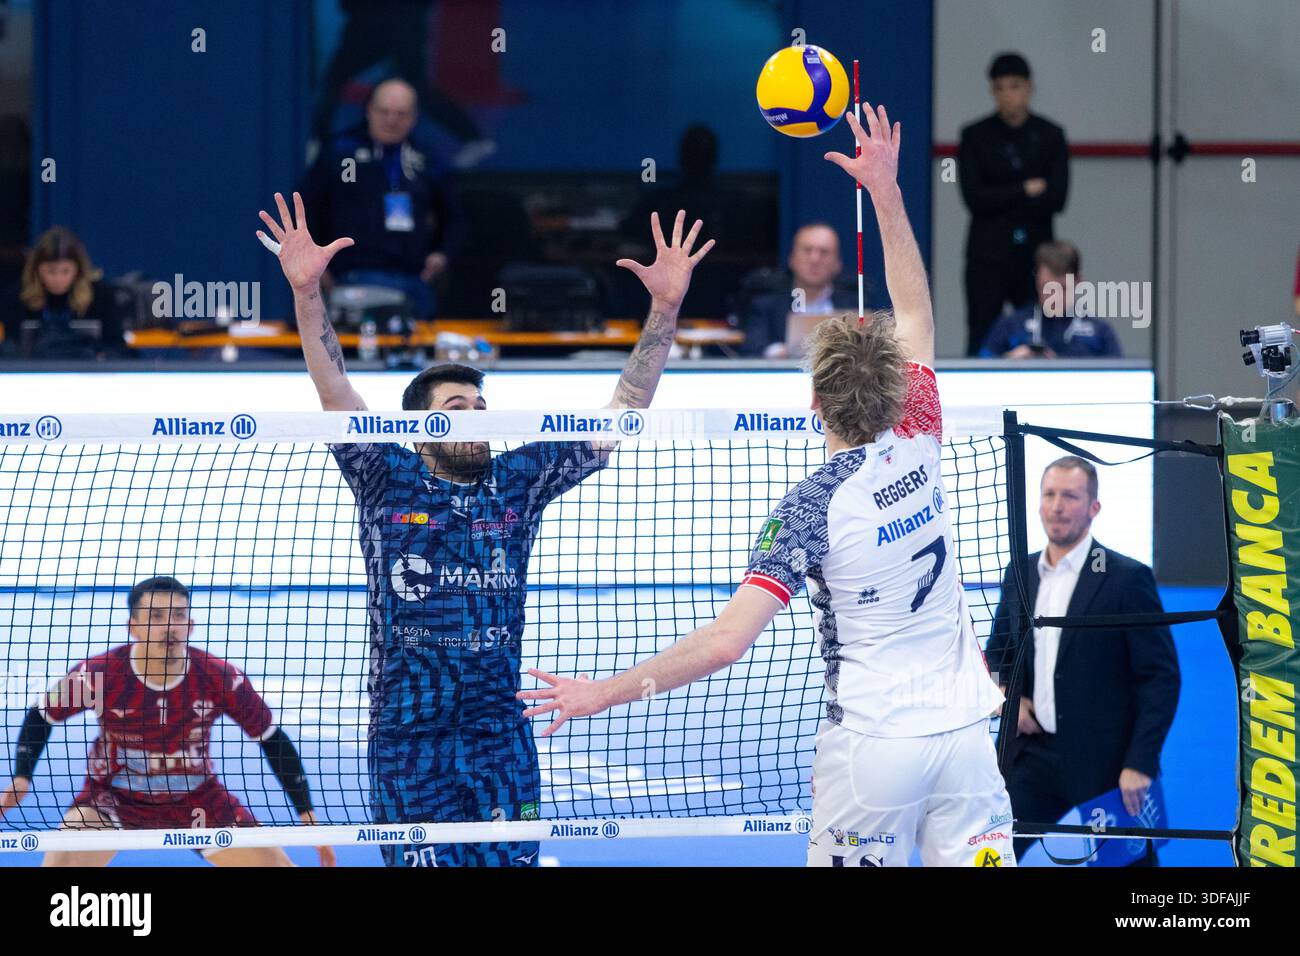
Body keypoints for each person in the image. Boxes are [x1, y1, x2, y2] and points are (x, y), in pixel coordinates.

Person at [518, 106, 1014, 868]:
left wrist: (602, 692)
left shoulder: (810, 507)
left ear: (812, 403)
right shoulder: (920, 434)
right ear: (893, 391)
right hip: (966, 743)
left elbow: (726, 641)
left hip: (875, 750)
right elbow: (914, 307)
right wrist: (884, 187)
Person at [255, 190, 713, 866]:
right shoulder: (386, 479)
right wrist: (306, 292)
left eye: (479, 404)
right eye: (454, 407)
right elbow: (335, 392)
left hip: (500, 733)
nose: (473, 416)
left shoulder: (518, 480)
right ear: (419, 429)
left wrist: (666, 308)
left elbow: (623, 411)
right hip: (410, 741)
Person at [0, 576, 333, 867]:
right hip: (112, 800)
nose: (169, 625)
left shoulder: (221, 677)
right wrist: (22, 776)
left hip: (197, 800)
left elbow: (271, 738)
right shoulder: (97, 675)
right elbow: (41, 716)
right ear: (133, 626)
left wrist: (306, 812)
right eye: (155, 616)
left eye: (178, 615)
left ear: (190, 625)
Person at [984, 458, 1180, 864]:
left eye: (1070, 496)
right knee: (994, 853)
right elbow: (997, 654)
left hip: (1106, 763)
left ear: (1093, 508)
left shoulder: (1127, 579)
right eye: (1049, 495)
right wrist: (1007, 698)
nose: (1057, 506)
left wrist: (1140, 764)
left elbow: (1160, 678)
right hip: (1030, 759)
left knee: (1130, 866)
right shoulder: (1021, 572)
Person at [300, 78, 460, 319]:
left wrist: (442, 254)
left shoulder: (426, 158)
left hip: (414, 280)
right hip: (353, 276)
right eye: (384, 112)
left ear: (414, 117)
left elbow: (454, 216)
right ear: (369, 111)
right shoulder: (340, 152)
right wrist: (317, 267)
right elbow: (306, 209)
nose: (391, 120)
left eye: (401, 113)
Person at [959, 53, 1069, 356]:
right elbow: (974, 198)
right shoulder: (975, 136)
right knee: (981, 333)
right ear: (992, 91)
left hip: (1035, 257)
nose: (1008, 95)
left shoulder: (1050, 136)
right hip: (987, 256)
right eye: (1001, 88)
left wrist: (1000, 195)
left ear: (1029, 88)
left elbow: (1057, 198)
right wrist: (1024, 189)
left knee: (1038, 330)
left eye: (1015, 86)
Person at [978, 241, 1122, 358]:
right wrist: (1008, 362)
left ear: (1078, 282)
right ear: (1036, 281)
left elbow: (1119, 381)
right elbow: (978, 375)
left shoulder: (1099, 332)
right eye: (1047, 288)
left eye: (1063, 288)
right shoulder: (1010, 326)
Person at [1, 226, 126, 360]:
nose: (58, 279)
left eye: (65, 271)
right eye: (51, 271)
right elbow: (9, 346)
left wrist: (100, 356)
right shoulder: (18, 296)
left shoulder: (101, 294)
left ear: (78, 269)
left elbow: (117, 346)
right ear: (36, 269)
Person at [738, 223, 860, 358]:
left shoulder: (856, 306)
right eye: (807, 250)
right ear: (792, 259)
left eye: (824, 252)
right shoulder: (766, 305)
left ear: (838, 263)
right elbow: (751, 349)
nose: (815, 259)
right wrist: (778, 352)